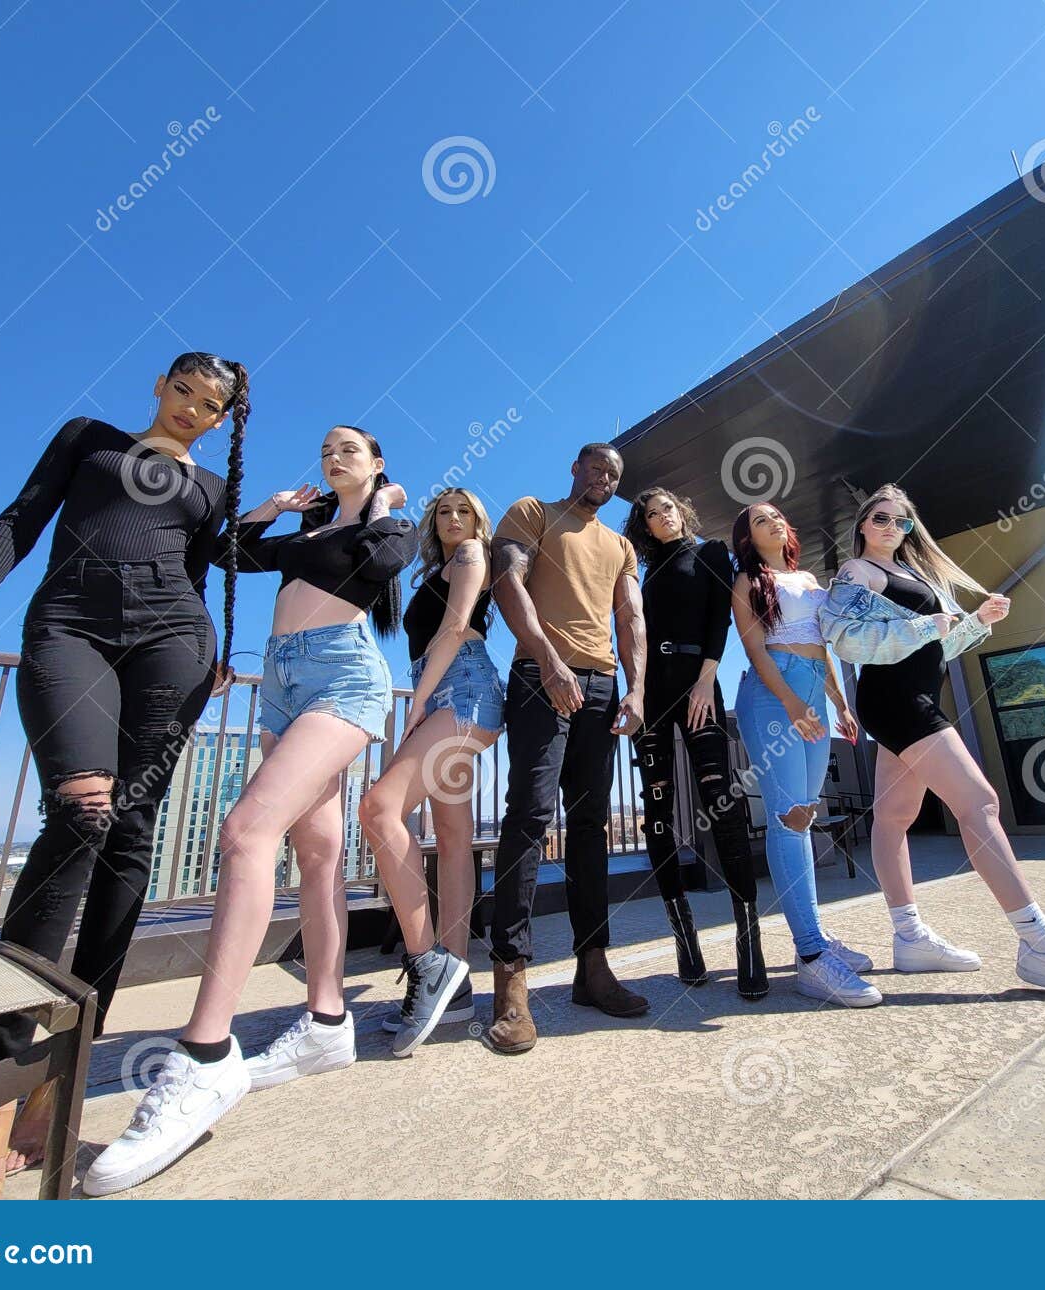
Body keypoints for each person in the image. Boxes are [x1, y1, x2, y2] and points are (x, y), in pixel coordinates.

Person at [82, 426, 460, 1198]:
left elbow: (387, 563)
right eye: (325, 447)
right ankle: (326, 1024)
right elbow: (226, 556)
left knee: (244, 830)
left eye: (350, 447)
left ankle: (205, 1056)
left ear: (380, 462)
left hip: (342, 674)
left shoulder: (382, 521)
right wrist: (268, 508)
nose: (333, 455)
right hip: (281, 682)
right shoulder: (305, 529)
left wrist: (383, 506)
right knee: (313, 856)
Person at [0, 352, 249, 1200]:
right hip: (71, 626)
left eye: (212, 407)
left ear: (222, 419)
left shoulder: (211, 491)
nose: (194, 411)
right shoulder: (90, 439)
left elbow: (208, 572)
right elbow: (22, 518)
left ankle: (55, 1086)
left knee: (130, 837)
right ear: (159, 386)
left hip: (174, 639)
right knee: (79, 815)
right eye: (185, 392)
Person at [822, 484, 1045, 999]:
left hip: (913, 695)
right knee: (981, 804)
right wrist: (925, 625)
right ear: (861, 524)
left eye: (902, 523)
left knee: (894, 818)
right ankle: (1040, 947)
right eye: (880, 519)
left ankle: (909, 938)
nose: (891, 529)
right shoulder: (859, 573)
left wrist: (976, 624)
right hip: (897, 700)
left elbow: (938, 644)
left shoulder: (912, 573)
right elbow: (843, 638)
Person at [484, 443, 647, 1055]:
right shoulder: (532, 512)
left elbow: (631, 618)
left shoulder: (622, 545)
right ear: (574, 468)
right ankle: (511, 980)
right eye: (595, 467)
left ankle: (592, 967)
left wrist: (636, 690)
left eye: (613, 473)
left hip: (603, 687)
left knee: (590, 825)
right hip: (539, 677)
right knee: (528, 817)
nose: (603, 478)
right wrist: (550, 661)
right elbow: (508, 581)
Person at [363, 487, 505, 1035]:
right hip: (449, 688)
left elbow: (454, 626)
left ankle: (428, 965)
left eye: (463, 511)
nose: (452, 518)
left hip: (463, 690)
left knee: (380, 808)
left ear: (477, 520)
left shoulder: (471, 555)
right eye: (443, 511)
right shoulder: (436, 569)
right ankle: (457, 983)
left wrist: (419, 699)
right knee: (451, 834)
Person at [730, 502, 882, 1007]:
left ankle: (813, 937)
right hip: (773, 694)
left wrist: (839, 700)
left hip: (815, 690)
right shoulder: (746, 582)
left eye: (775, 515)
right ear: (748, 539)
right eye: (758, 521)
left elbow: (823, 641)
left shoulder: (808, 578)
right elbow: (755, 651)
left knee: (807, 815)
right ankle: (812, 956)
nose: (772, 521)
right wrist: (793, 701)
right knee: (788, 816)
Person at [622, 488, 767, 999]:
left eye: (666, 508)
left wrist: (707, 679)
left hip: (696, 681)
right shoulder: (643, 568)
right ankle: (686, 942)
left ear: (682, 509)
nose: (661, 517)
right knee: (657, 811)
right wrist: (635, 692)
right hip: (652, 691)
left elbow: (718, 619)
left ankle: (749, 942)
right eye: (650, 515)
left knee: (720, 800)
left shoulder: (707, 553)